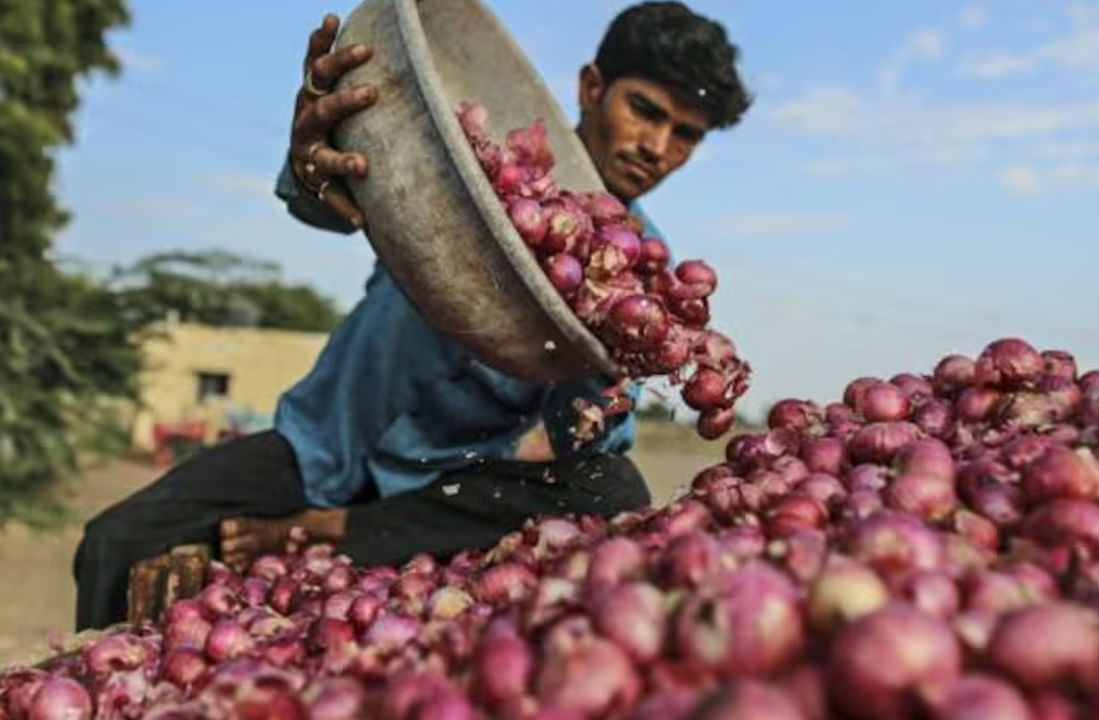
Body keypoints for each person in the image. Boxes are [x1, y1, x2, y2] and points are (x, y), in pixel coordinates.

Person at [73, 1, 751, 631]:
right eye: (645, 111)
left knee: (614, 486)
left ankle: (337, 530)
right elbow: (342, 193)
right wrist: (314, 163)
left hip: (449, 486)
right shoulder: (477, 168)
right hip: (325, 447)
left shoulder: (647, 281)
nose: (656, 147)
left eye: (684, 135)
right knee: (116, 541)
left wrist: (608, 371)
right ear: (591, 86)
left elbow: (589, 444)